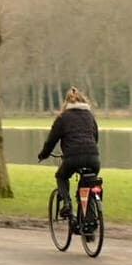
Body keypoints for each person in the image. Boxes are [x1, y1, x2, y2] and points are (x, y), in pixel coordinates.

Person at [37, 87, 100, 218]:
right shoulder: (90, 116)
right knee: (87, 186)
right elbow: (95, 137)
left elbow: (51, 140)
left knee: (61, 176)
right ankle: (90, 221)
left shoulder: (62, 118)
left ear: (66, 103)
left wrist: (43, 154)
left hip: (73, 158)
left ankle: (67, 204)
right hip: (93, 158)